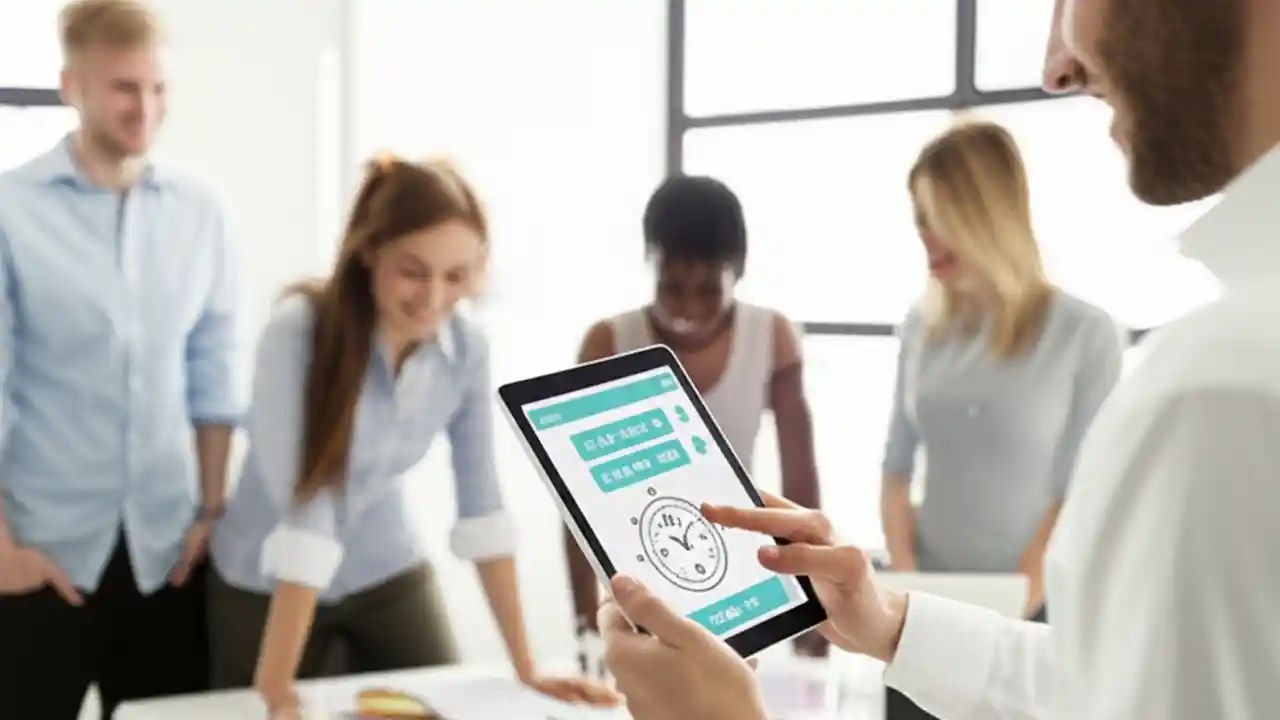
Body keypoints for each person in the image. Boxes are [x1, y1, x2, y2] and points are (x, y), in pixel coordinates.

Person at [596, 0, 1280, 716]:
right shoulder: (1215, 371)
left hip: (1021, 596)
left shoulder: (1218, 387)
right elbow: (1112, 689)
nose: (1054, 63)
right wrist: (895, 619)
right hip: (938, 608)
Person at [208, 155, 619, 717]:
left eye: (456, 276)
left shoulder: (466, 348)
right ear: (370, 250)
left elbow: (483, 506)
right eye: (413, 270)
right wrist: (276, 686)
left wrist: (527, 667)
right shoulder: (297, 332)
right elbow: (308, 508)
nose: (433, 298)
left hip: (384, 564)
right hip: (265, 582)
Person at [0, 2, 239, 718]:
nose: (146, 107)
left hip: (169, 556)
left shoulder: (203, 210)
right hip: (41, 554)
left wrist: (210, 512)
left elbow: (214, 372)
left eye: (158, 88)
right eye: (124, 88)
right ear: (72, 84)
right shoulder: (11, 210)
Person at [563, 175, 824, 657]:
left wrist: (811, 607)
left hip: (738, 578)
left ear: (739, 271)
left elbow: (799, 482)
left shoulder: (770, 335)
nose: (687, 307)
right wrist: (584, 617)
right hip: (633, 576)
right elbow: (576, 496)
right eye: (672, 287)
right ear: (650, 265)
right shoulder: (609, 342)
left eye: (707, 290)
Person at [882, 120, 1123, 618]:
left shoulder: (1087, 333)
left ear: (985, 215)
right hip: (925, 602)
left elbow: (1076, 494)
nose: (927, 237)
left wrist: (1016, 606)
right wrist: (908, 592)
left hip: (1036, 607)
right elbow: (895, 471)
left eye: (940, 217)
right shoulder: (919, 326)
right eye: (919, 218)